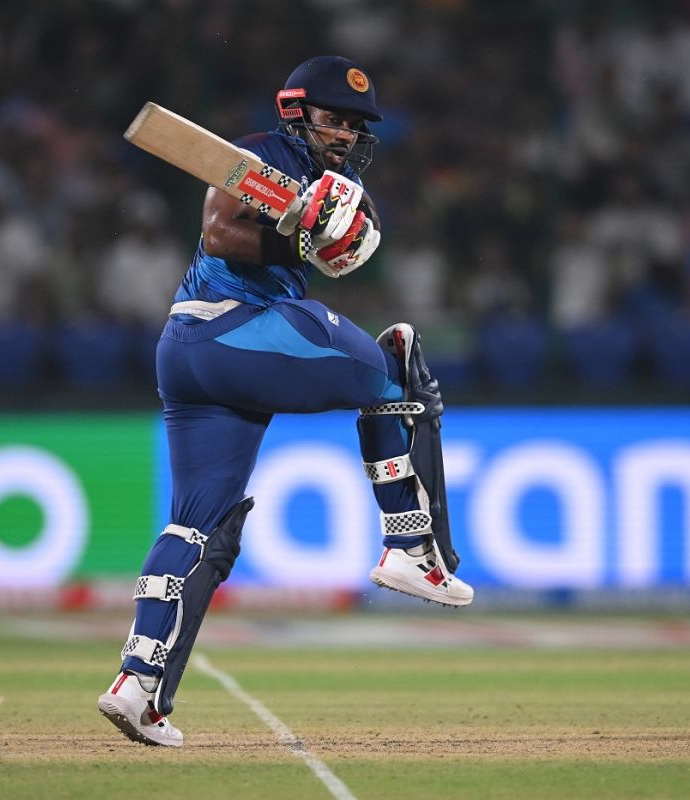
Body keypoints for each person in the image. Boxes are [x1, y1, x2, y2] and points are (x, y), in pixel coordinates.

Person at [97, 56, 473, 748]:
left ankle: (137, 685)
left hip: (191, 351)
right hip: (233, 326)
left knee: (201, 527)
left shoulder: (346, 182)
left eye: (357, 124)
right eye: (336, 119)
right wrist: (302, 231)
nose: (348, 133)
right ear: (298, 113)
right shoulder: (257, 155)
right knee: (395, 367)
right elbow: (218, 232)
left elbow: (341, 256)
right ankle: (411, 547)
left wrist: (342, 239)